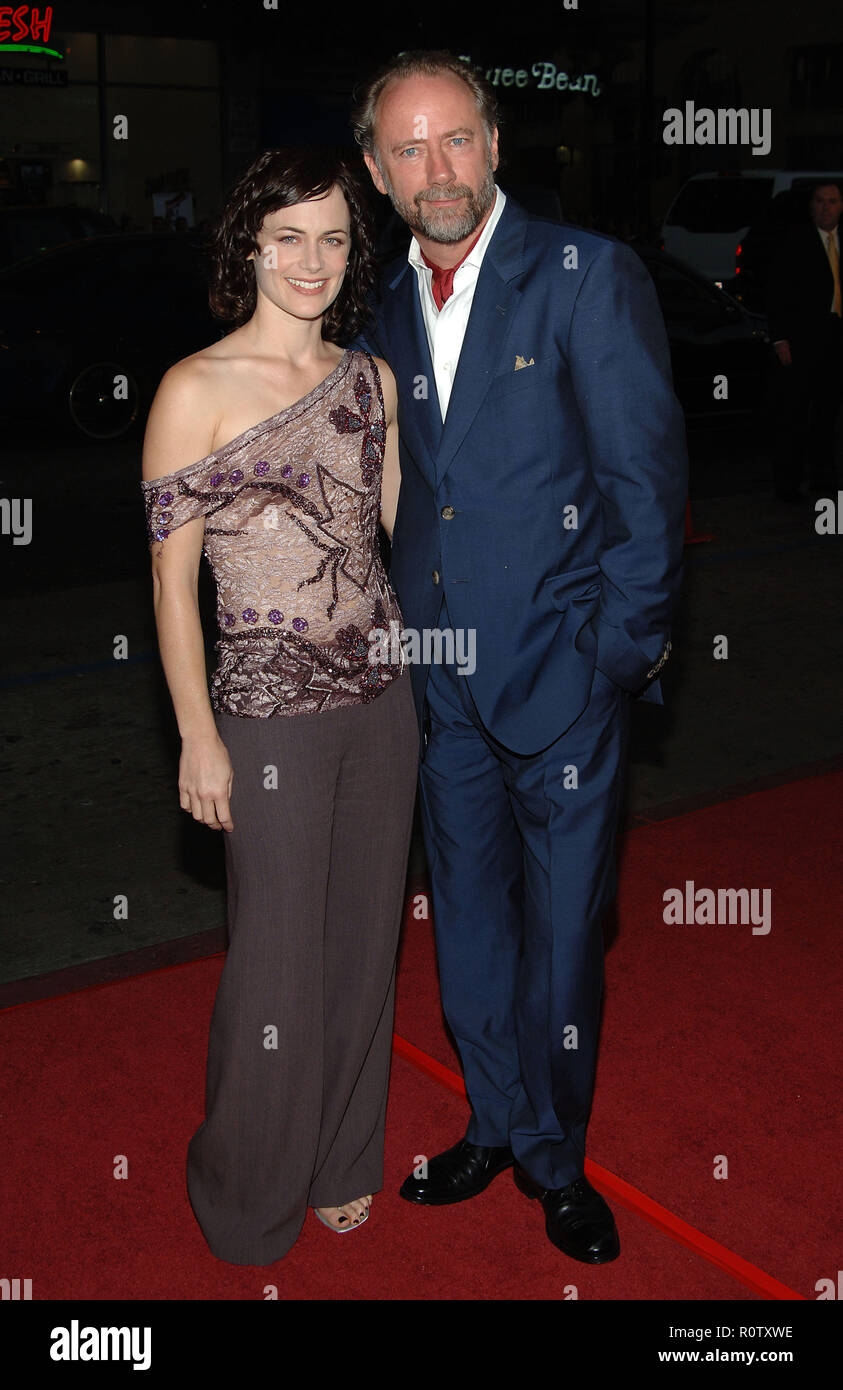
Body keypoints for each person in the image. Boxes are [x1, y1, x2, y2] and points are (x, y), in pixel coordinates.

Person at [350, 51, 687, 1264]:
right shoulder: (387, 306)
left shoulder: (587, 277)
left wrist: (617, 656)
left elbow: (645, 489)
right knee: (471, 931)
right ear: (380, 177)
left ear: (493, 145)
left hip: (565, 682)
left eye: (455, 140)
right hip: (442, 683)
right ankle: (492, 1121)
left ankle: (556, 1157)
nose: (435, 169)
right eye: (407, 149)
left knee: (560, 941)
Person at [140, 148, 418, 1266]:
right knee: (275, 961)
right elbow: (169, 581)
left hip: (383, 702)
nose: (311, 259)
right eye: (288, 235)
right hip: (262, 715)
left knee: (366, 945)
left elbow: (396, 540)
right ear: (249, 243)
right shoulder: (193, 388)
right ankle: (246, 1185)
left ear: (356, 254)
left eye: (334, 237)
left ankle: (345, 1155)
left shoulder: (372, 381)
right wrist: (197, 733)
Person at [766, 179, 843, 502]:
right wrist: (780, 337)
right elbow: (779, 291)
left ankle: (823, 476)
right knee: (795, 413)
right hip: (803, 340)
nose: (827, 208)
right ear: (812, 207)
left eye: (833, 201)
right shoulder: (795, 241)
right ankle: (788, 482)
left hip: (837, 337)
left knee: (828, 412)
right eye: (821, 202)